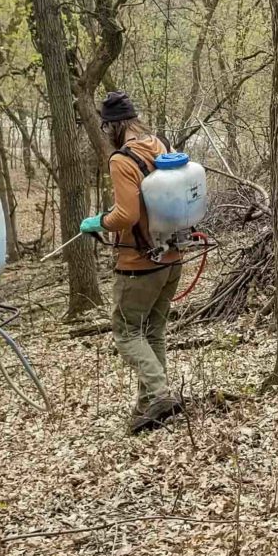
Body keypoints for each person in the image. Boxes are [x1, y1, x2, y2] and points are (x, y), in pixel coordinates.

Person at [79, 91, 183, 433]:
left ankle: (159, 392)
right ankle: (148, 407)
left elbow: (126, 214)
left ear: (112, 126)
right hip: (172, 256)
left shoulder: (122, 160)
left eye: (104, 125)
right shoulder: (160, 145)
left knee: (125, 332)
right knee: (152, 329)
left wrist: (99, 222)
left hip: (139, 263)